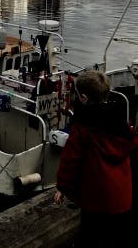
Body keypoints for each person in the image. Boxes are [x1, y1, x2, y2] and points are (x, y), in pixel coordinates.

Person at [54, 69, 138, 246]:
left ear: (83, 98)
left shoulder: (83, 128)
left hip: (97, 201)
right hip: (123, 199)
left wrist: (62, 187)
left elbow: (70, 162)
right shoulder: (121, 123)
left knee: (91, 237)